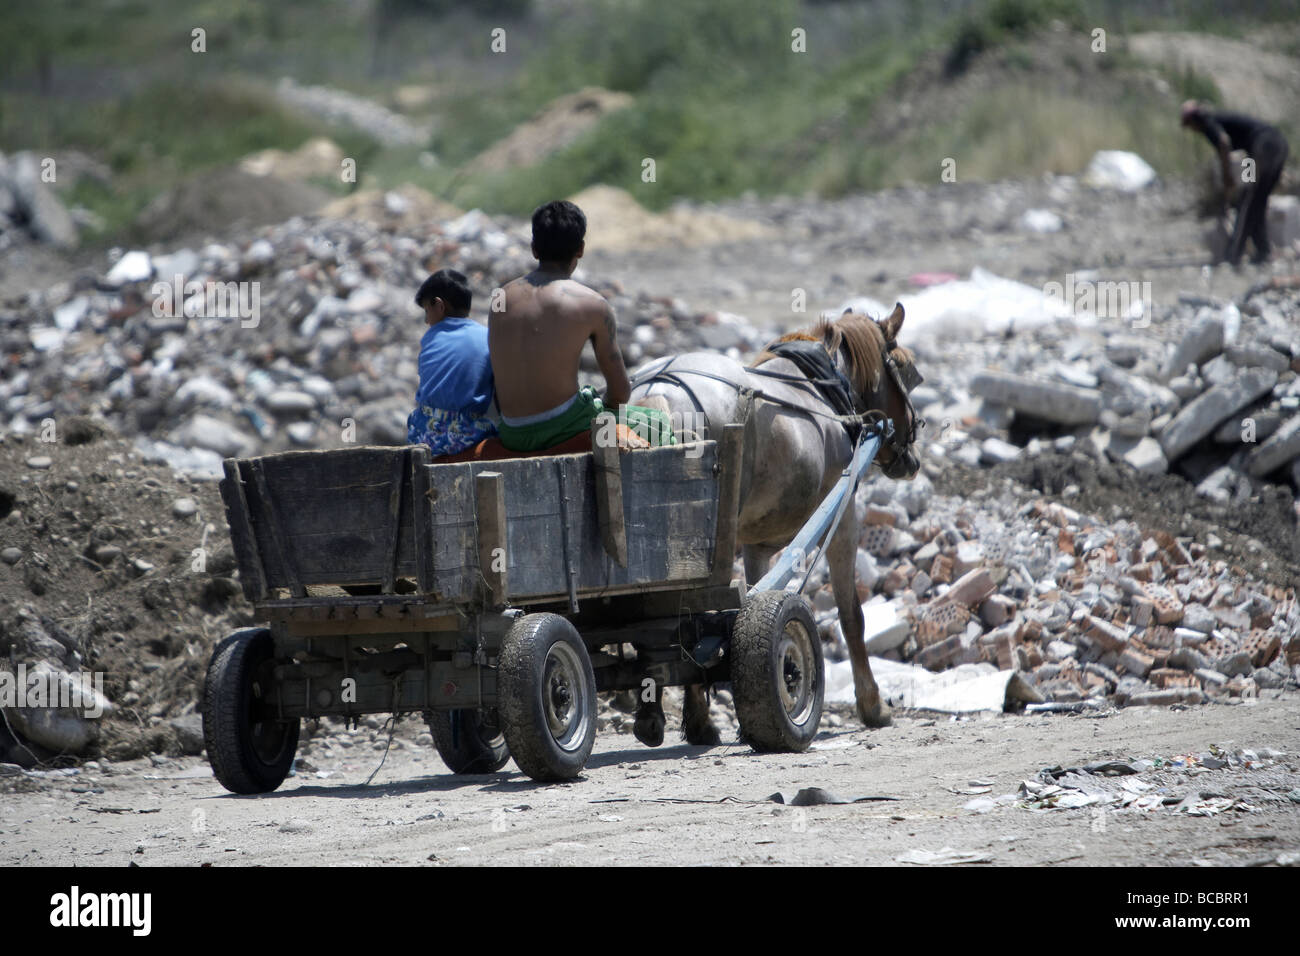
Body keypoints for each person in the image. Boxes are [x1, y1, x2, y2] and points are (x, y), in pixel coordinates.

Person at [489, 200, 673, 451]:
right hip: (562, 427)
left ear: (534, 248)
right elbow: (620, 394)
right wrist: (600, 407)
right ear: (581, 249)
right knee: (658, 424)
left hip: (511, 430)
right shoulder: (592, 305)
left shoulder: (500, 297)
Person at [1181, 100, 1290, 266]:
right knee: (1258, 200)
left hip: (1261, 146)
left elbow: (1223, 143)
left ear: (1193, 121)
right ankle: (1263, 251)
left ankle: (1234, 254)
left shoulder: (1208, 122)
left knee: (1246, 200)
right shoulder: (1224, 120)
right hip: (1277, 144)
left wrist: (1227, 177)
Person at [406, 269, 498, 458]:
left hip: (426, 434)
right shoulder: (488, 337)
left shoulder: (431, 338)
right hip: (469, 434)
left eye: (426, 310)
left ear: (439, 305)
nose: (426, 320)